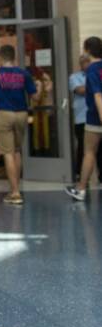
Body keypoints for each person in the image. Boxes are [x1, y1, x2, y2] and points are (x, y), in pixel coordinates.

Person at [0, 44, 37, 205]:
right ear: (14, 57)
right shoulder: (24, 73)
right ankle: (16, 188)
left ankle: (15, 192)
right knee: (17, 151)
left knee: (7, 153)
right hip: (21, 114)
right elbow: (34, 96)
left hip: (4, 114)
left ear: (1, 58)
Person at [67, 35, 102, 202]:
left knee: (89, 152)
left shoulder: (93, 70)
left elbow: (98, 96)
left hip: (95, 118)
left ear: (88, 50)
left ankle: (80, 188)